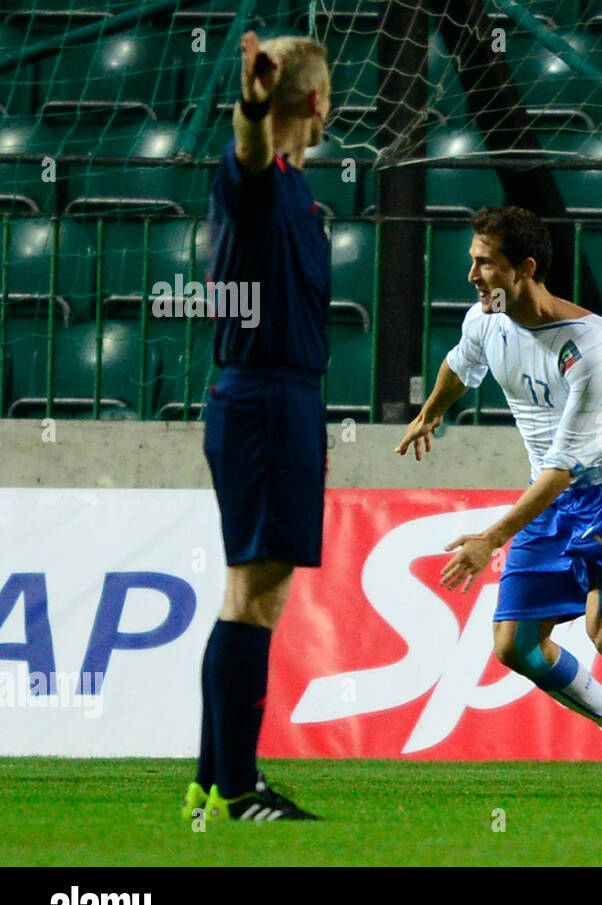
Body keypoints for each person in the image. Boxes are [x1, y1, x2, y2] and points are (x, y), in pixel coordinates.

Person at [398, 206, 602, 787]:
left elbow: (564, 468)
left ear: (525, 269)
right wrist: (431, 412)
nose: (472, 276)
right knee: (515, 647)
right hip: (552, 493)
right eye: (471, 261)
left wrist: (489, 540)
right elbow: (458, 364)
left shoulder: (588, 350)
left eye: (485, 264)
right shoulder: (486, 321)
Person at [182, 32, 332, 823]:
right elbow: (245, 157)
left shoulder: (300, 198)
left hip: (281, 402)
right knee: (252, 593)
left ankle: (212, 782)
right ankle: (238, 789)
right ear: (316, 102)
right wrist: (249, 104)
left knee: (250, 592)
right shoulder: (259, 183)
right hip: (265, 402)